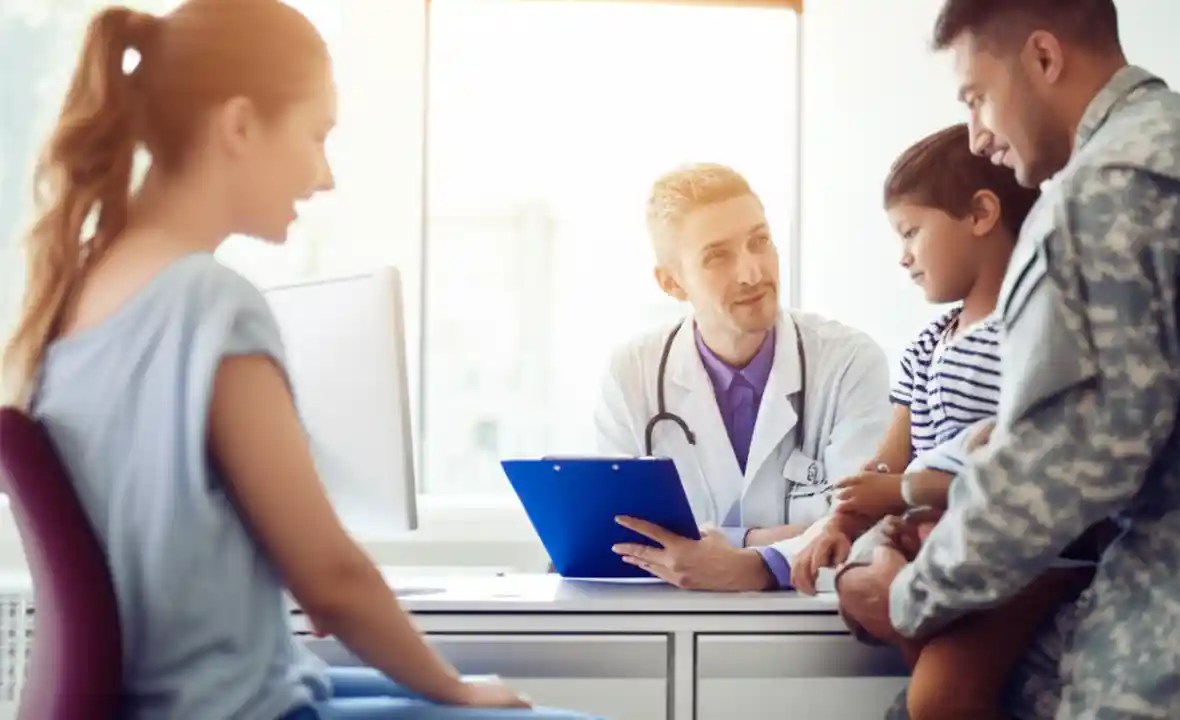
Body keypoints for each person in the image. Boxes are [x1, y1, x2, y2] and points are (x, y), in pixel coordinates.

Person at [0, 2, 596, 719]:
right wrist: (457, 690)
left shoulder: (73, 299)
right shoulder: (210, 305)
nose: (324, 178)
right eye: (317, 136)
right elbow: (333, 581)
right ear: (241, 125)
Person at [839, 0, 1180, 718]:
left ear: (1044, 59)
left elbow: (1063, 462)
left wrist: (909, 599)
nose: (979, 137)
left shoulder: (1102, 191)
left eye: (977, 98)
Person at [790, 124, 1098, 720]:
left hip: (1018, 558)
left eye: (911, 232)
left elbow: (1031, 470)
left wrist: (908, 495)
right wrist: (841, 519)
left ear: (981, 214)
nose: (903, 255)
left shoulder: (1031, 332)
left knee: (935, 701)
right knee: (859, 587)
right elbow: (888, 459)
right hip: (935, 545)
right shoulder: (928, 345)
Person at [594, 163, 890, 591]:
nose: (753, 273)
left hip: (812, 632)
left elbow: (864, 530)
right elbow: (624, 538)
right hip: (673, 625)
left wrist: (748, 562)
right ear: (671, 283)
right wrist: (771, 539)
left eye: (760, 242)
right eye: (718, 256)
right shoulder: (631, 374)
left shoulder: (849, 363)